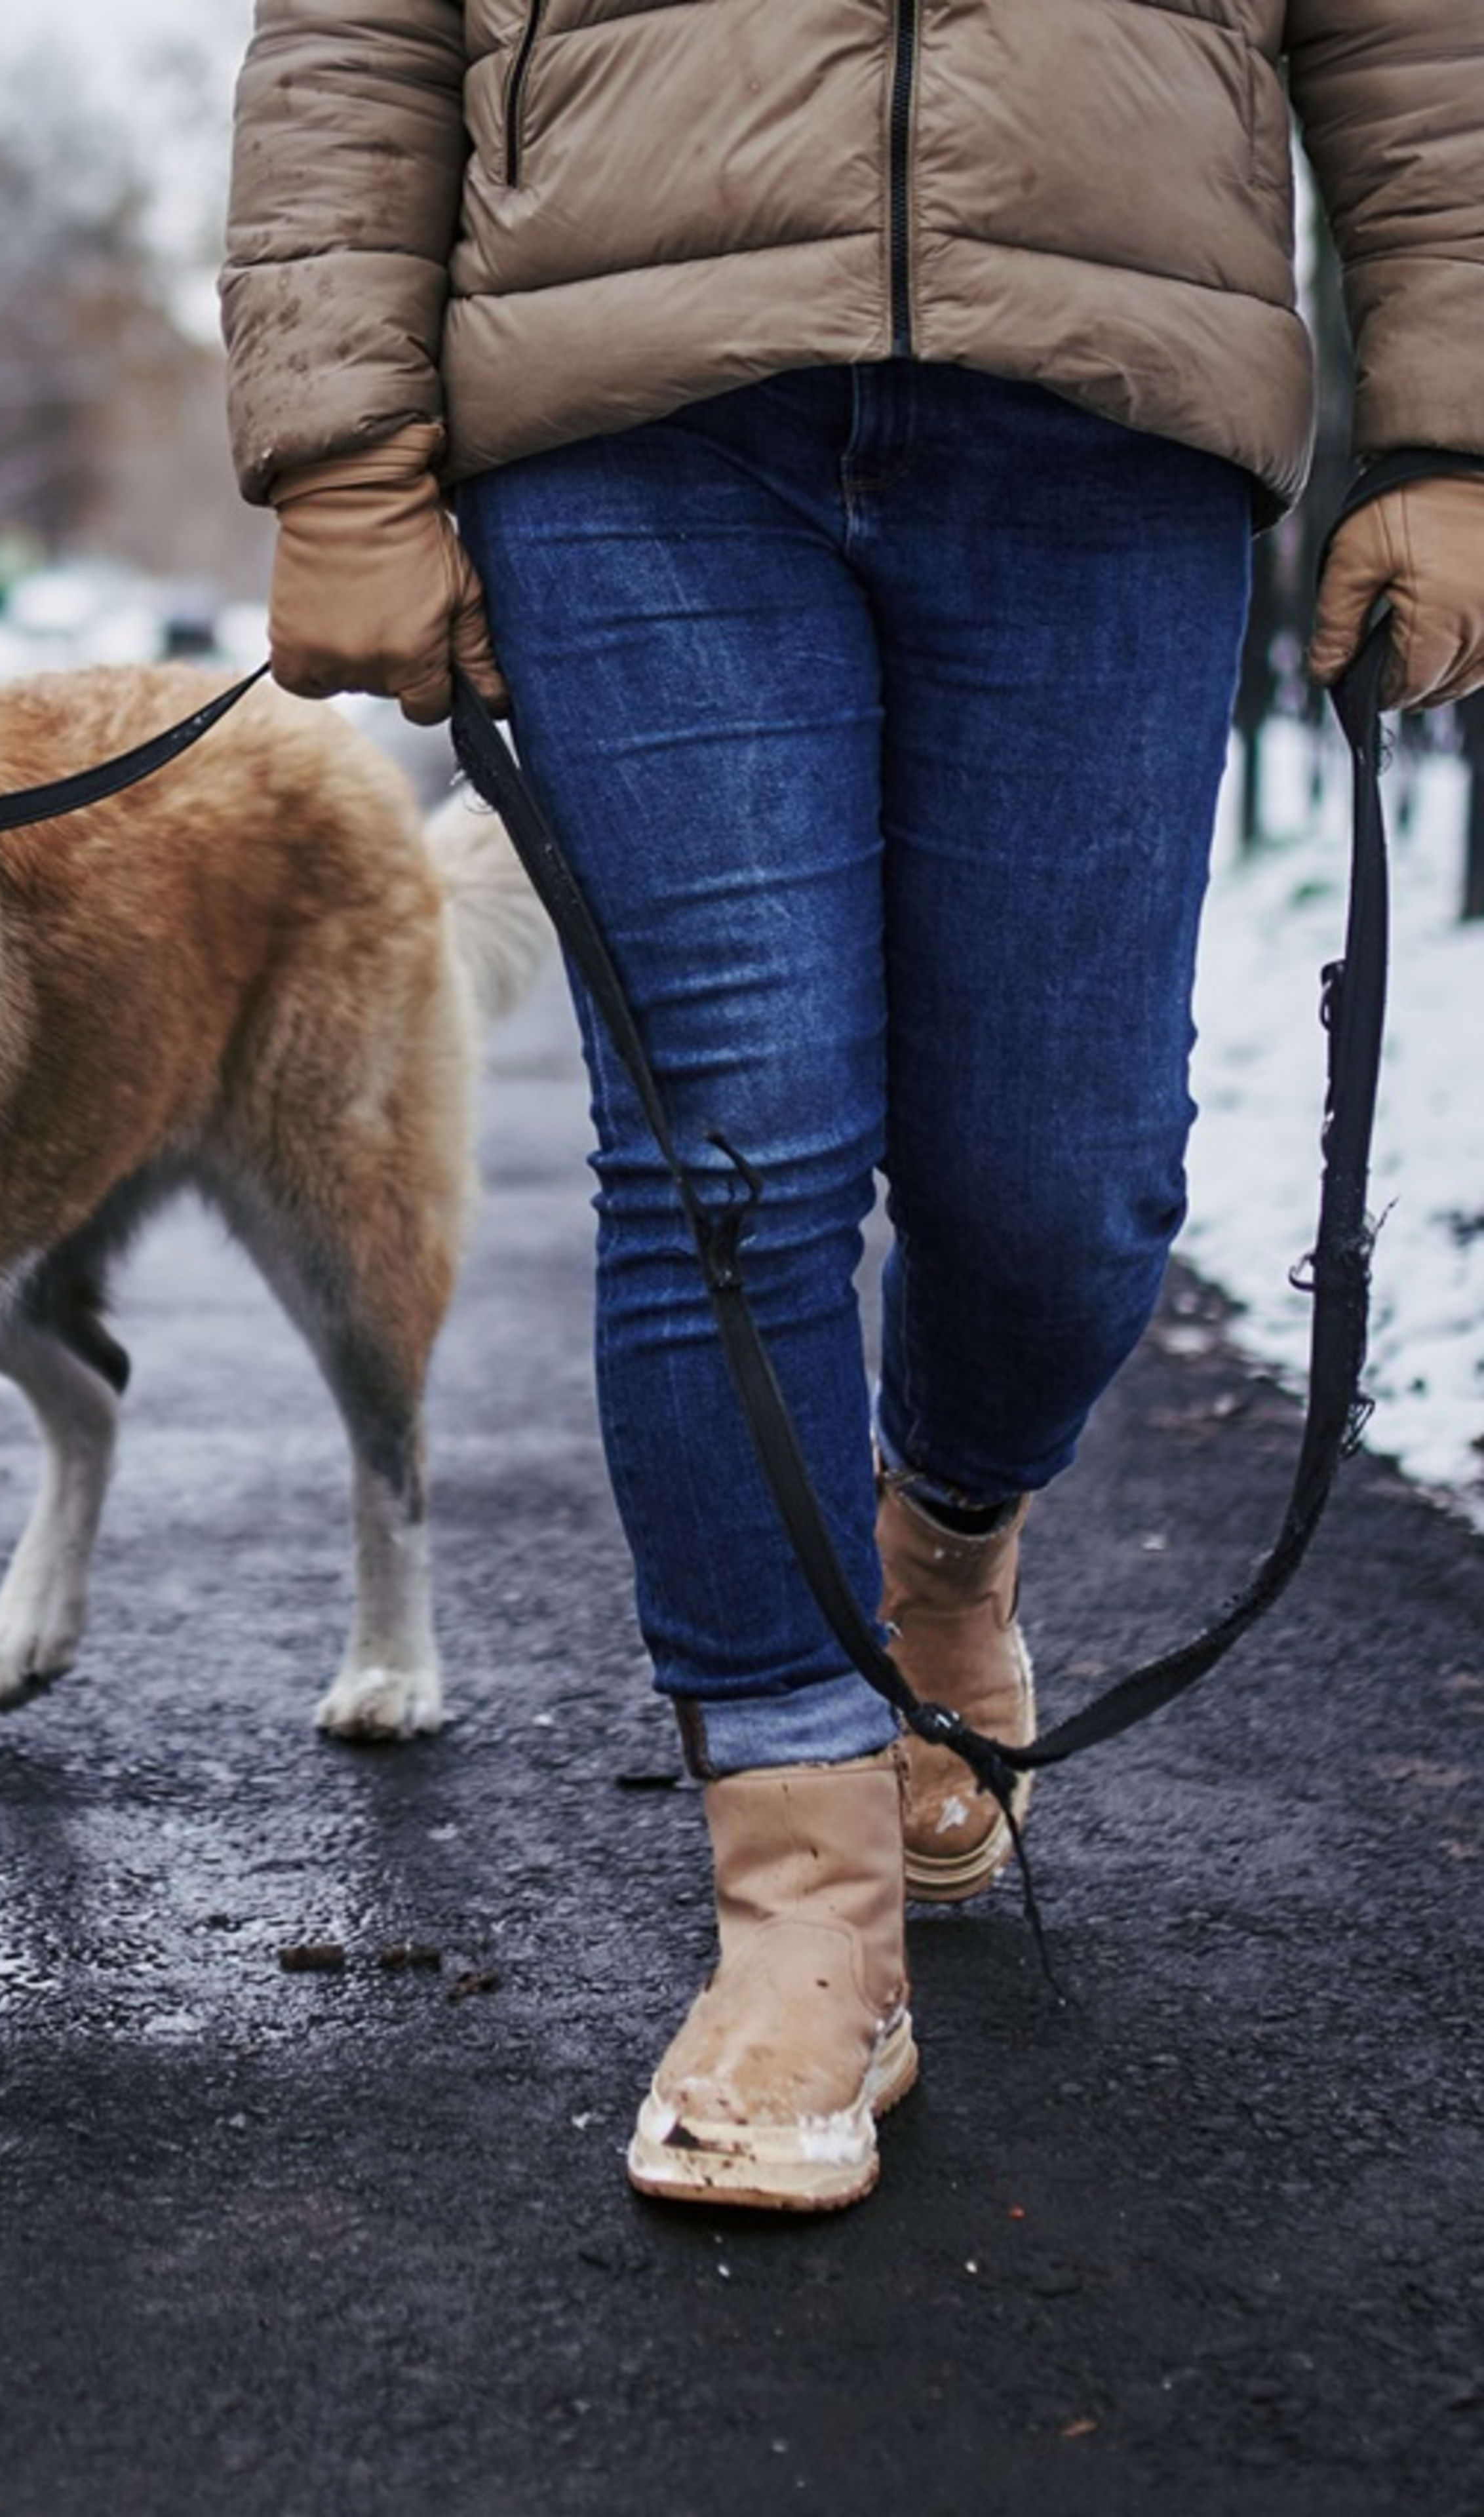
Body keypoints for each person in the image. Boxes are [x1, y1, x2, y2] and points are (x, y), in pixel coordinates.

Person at [220, 1, 1484, 2212]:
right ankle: (802, 1911)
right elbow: (354, 24)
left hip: (1114, 398)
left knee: (1063, 1184)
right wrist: (341, 445)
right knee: (728, 1154)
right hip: (633, 404)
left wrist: (1453, 431)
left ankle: (946, 1541)